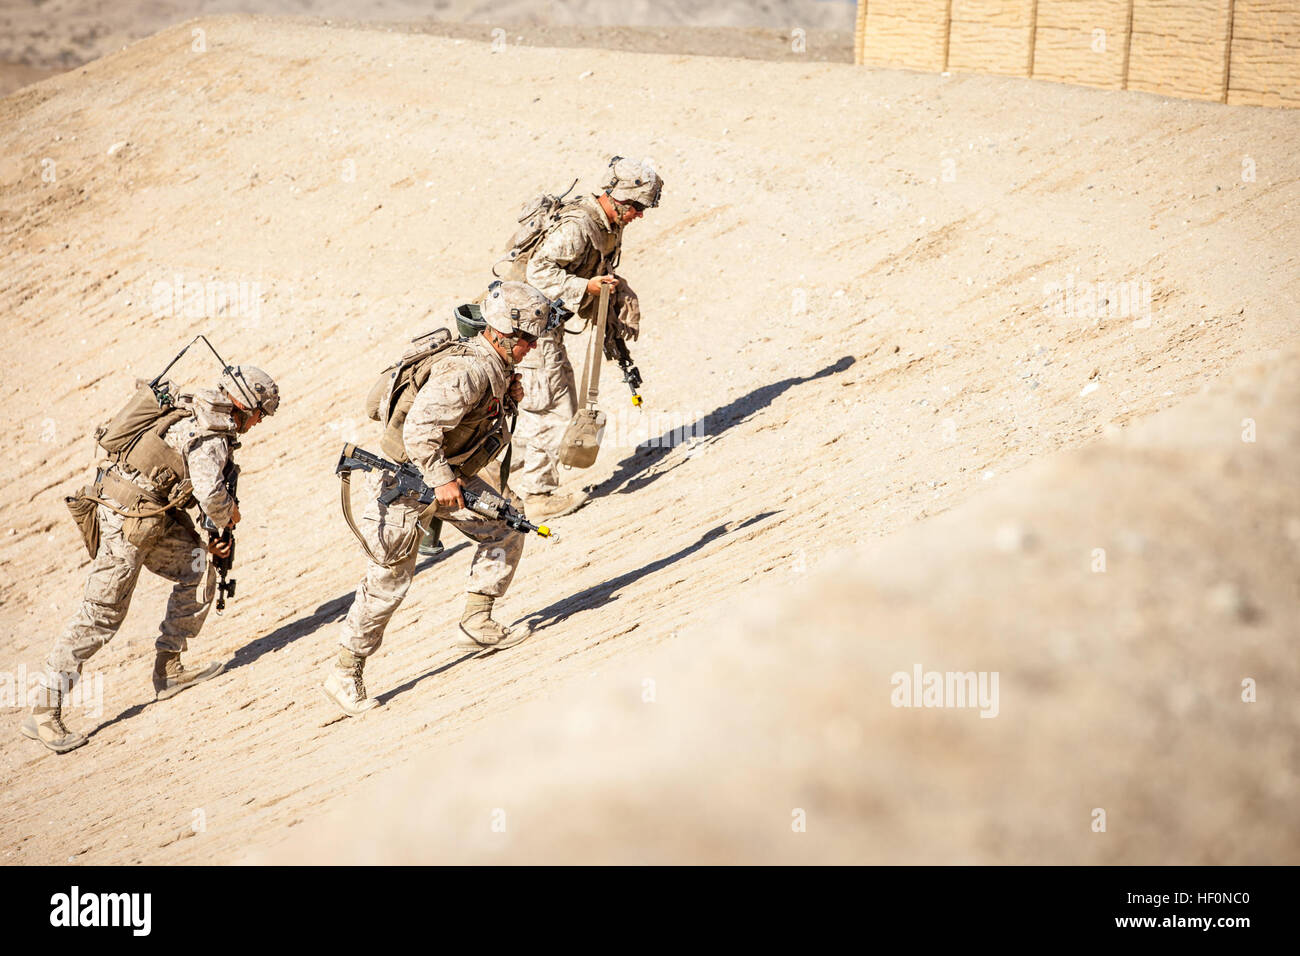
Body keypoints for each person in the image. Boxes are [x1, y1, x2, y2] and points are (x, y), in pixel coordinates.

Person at [322, 281, 558, 718]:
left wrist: (506, 396)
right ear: (505, 334)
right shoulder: (466, 371)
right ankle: (345, 670)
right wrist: (440, 479)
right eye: (527, 340)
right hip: (405, 484)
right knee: (389, 579)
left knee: (507, 525)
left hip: (444, 476)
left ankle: (477, 620)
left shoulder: (493, 367)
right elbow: (419, 431)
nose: (531, 348)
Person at [22, 364, 280, 753]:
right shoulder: (211, 435)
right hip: (128, 520)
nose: (259, 423)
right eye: (260, 414)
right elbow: (210, 494)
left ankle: (169, 670)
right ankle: (44, 709)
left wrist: (211, 536)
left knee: (197, 564)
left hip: (147, 514)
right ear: (244, 406)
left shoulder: (196, 406)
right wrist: (230, 514)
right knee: (101, 614)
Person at [505, 155, 663, 521]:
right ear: (619, 198)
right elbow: (537, 271)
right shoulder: (579, 225)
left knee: (546, 407)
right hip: (528, 327)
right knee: (554, 409)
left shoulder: (607, 222)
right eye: (637, 207)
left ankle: (493, 466)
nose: (639, 215)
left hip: (541, 324)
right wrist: (586, 286)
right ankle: (537, 495)